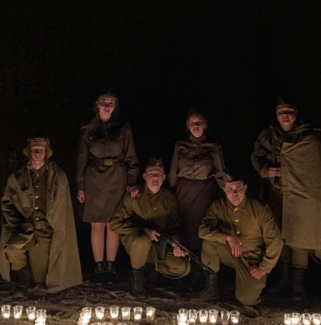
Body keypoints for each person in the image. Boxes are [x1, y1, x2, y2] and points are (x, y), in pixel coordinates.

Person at [251, 97, 321, 300]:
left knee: (300, 237)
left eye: (289, 110)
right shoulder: (269, 136)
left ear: (296, 112)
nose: (285, 115)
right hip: (277, 193)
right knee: (280, 236)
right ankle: (283, 278)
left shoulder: (307, 137)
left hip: (301, 195)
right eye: (281, 111)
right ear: (276, 114)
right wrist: (264, 171)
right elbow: (255, 155)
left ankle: (298, 285)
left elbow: (314, 168)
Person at [0, 135, 82, 297]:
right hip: (24, 230)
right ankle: (22, 281)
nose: (37, 153)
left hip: (47, 231)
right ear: (29, 152)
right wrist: (18, 225)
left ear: (46, 152)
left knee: (43, 277)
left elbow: (61, 209)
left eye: (41, 150)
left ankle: (34, 276)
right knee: (12, 248)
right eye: (34, 150)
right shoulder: (16, 178)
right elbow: (7, 204)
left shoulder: (57, 176)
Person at [76, 91, 140, 283]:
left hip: (117, 178)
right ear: (97, 104)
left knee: (113, 224)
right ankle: (98, 267)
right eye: (103, 102)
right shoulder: (87, 130)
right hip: (94, 178)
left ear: (115, 106)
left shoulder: (123, 129)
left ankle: (110, 267)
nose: (106, 106)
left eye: (110, 103)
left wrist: (132, 181)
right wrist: (80, 186)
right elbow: (81, 160)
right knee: (97, 224)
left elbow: (131, 157)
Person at [197, 172, 282, 310]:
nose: (234, 194)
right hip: (231, 253)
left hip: (252, 260)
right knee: (208, 242)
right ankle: (211, 288)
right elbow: (202, 231)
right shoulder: (218, 206)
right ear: (224, 190)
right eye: (230, 190)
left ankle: (255, 286)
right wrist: (227, 237)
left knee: (247, 300)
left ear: (245, 188)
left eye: (238, 189)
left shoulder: (259, 209)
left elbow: (275, 241)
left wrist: (265, 267)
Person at [110, 157, 190, 299]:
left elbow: (176, 225)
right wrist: (142, 230)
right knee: (142, 241)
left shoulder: (169, 198)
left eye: (158, 174)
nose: (155, 177)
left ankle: (154, 270)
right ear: (145, 176)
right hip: (137, 243)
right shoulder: (133, 196)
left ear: (164, 177)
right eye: (152, 173)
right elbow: (115, 223)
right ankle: (137, 280)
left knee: (182, 267)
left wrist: (177, 243)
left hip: (160, 245)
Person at [168, 109, 226, 291]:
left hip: (204, 191)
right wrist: (170, 192)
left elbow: (220, 171)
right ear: (187, 126)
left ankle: (204, 273)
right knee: (185, 228)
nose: (196, 126)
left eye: (199, 122)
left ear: (205, 125)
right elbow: (173, 170)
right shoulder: (180, 145)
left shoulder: (213, 146)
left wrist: (228, 193)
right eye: (192, 123)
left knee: (202, 230)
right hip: (184, 190)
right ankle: (189, 272)